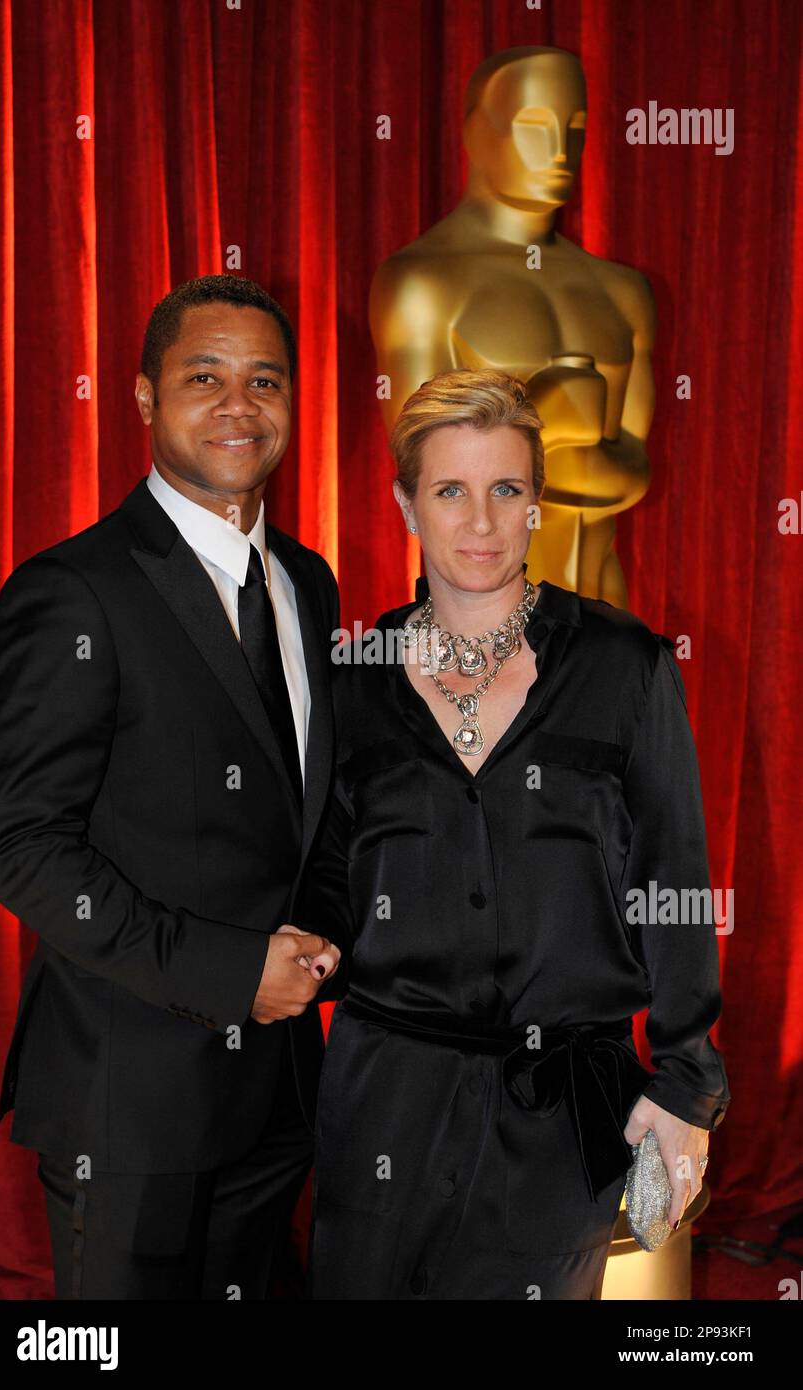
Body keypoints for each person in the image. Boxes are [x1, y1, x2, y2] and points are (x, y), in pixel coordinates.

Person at [302, 367, 731, 1300]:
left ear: (538, 502)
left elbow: (677, 884)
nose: (482, 522)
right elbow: (330, 878)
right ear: (405, 502)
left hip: (556, 1119)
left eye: (507, 489)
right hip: (382, 1103)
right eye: (450, 490)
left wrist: (688, 1084)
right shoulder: (354, 681)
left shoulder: (626, 668)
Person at [0, 273, 341, 1300]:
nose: (239, 403)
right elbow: (14, 840)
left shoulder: (307, 582)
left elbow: (296, 822)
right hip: (127, 1102)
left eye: (265, 378)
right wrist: (228, 974)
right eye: (204, 376)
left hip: (279, 1092)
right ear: (143, 397)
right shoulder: (73, 590)